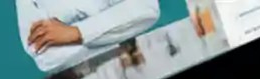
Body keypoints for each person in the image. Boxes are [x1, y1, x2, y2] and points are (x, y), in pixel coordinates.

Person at [16, 0, 161, 73]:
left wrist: (77, 32)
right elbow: (44, 55)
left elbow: (146, 8)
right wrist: (113, 25)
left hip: (143, 74)